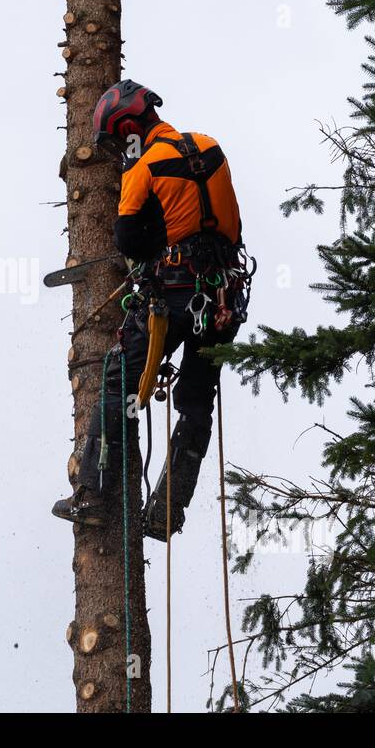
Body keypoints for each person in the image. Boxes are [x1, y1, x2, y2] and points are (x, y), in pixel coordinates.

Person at [51, 80, 252, 541]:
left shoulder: (142, 169)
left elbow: (129, 242)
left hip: (177, 296)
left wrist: (155, 244)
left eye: (119, 141)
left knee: (119, 378)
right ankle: (167, 509)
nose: (120, 149)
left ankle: (94, 496)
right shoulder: (211, 148)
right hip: (223, 299)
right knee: (196, 402)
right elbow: (231, 225)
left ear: (129, 130)